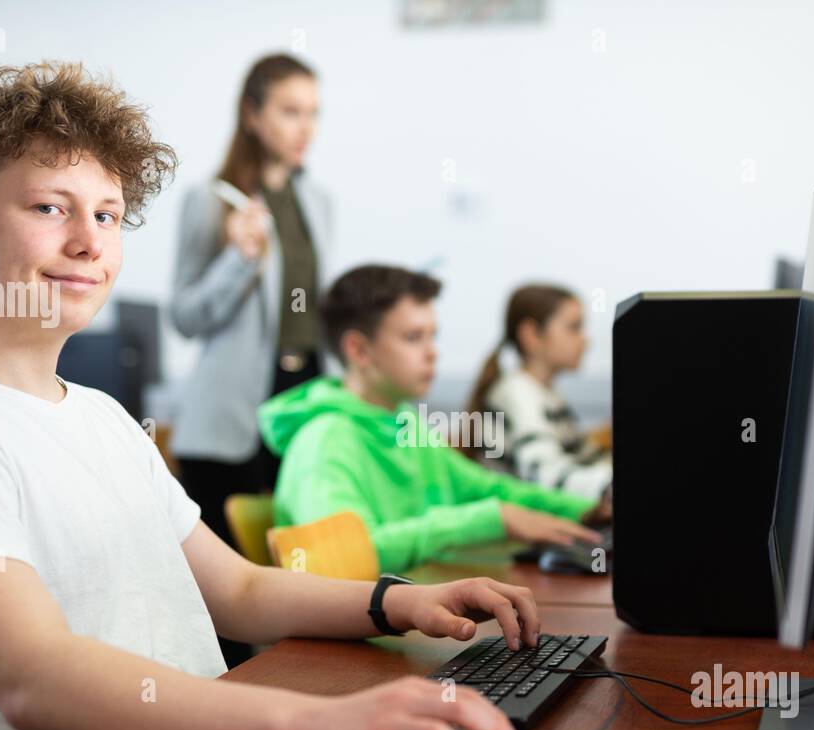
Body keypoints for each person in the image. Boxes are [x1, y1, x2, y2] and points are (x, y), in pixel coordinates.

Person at [0, 62, 535, 730]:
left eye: (107, 216)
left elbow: (239, 591)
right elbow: (33, 678)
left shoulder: (99, 416)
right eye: (49, 207)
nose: (86, 243)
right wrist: (307, 726)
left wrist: (399, 601)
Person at [259, 265, 609, 574]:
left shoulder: (403, 424)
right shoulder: (324, 442)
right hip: (344, 642)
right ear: (359, 350)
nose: (433, 351)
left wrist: (589, 509)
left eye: (433, 335)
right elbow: (345, 559)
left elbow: (488, 490)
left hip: (408, 614)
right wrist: (489, 519)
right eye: (413, 337)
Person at [169, 53, 331, 548]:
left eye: (313, 112)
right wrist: (239, 259)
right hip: (230, 420)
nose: (306, 127)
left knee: (301, 573)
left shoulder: (318, 202)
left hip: (300, 399)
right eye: (290, 111)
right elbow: (185, 316)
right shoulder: (212, 199)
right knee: (235, 600)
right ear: (252, 115)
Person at [466, 283, 612, 501]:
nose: (585, 339)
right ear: (531, 335)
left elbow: (584, 457)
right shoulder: (517, 394)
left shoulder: (545, 393)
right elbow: (548, 479)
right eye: (574, 327)